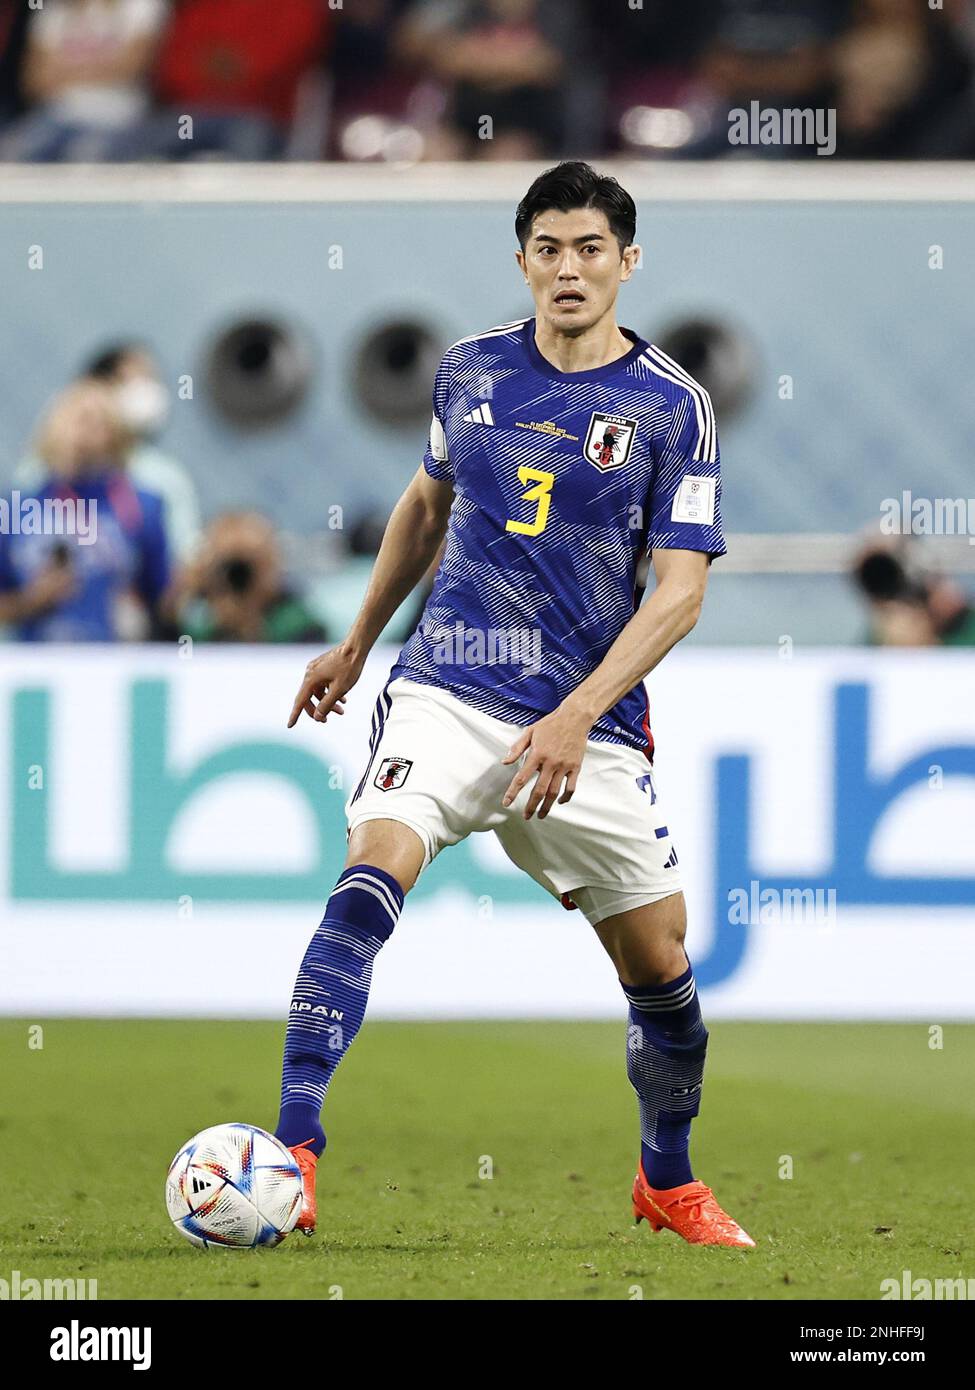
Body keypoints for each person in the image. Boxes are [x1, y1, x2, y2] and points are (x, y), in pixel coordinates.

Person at [273, 162, 753, 1248]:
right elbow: (424, 506)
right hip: (449, 685)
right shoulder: (469, 370)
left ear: (628, 261)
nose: (569, 268)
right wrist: (357, 642)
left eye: (591, 248)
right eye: (549, 247)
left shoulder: (673, 405)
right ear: (524, 258)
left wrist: (581, 712)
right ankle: (292, 1150)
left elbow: (679, 591)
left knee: (664, 968)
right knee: (367, 877)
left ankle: (666, 1179)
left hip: (587, 723)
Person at [0, 380, 169, 640]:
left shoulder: (140, 506)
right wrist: (30, 601)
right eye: (74, 420)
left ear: (115, 435)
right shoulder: (17, 508)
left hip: (112, 663)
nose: (81, 433)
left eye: (95, 422)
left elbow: (162, 596)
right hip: (38, 664)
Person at [166, 511, 328, 644]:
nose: (239, 577)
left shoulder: (297, 625)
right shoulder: (195, 623)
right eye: (230, 565)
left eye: (247, 565)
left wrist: (252, 624)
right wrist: (185, 591)